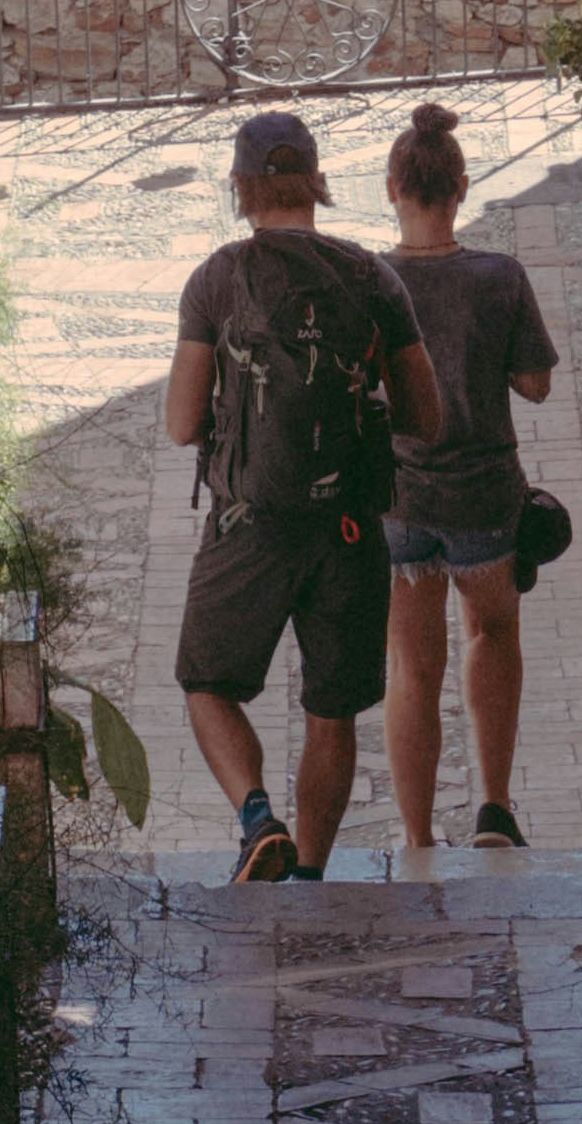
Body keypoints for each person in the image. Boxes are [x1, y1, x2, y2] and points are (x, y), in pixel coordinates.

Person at [165, 109, 440, 883]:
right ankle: (312, 878)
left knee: (206, 683)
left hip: (247, 525)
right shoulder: (370, 277)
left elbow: (181, 422)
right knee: (332, 711)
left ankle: (258, 820)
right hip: (347, 528)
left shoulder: (217, 279)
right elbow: (426, 416)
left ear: (241, 189)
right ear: (315, 182)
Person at [374, 97, 560, 865]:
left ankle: (417, 835)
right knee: (492, 634)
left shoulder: (370, 279)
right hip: (485, 494)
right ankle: (494, 806)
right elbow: (535, 384)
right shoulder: (498, 276)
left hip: (400, 496)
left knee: (413, 667)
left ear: (392, 187)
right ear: (462, 187)